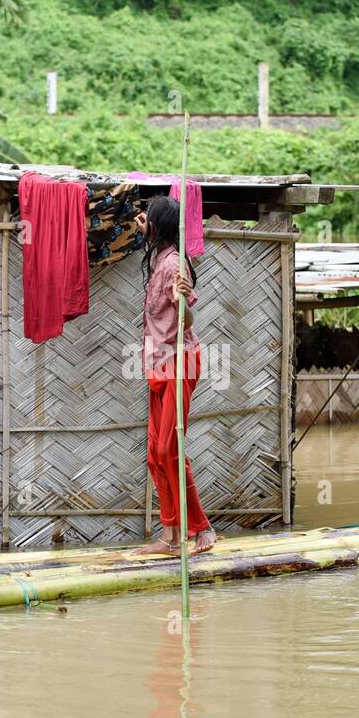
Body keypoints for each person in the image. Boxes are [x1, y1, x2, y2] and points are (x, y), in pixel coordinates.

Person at [134, 196, 216, 555]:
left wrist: (184, 299)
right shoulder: (158, 255)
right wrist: (146, 224)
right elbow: (152, 234)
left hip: (179, 360)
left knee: (170, 449)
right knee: (154, 452)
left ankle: (203, 531)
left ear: (160, 228)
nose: (145, 227)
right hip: (157, 361)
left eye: (149, 222)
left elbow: (185, 320)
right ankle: (169, 536)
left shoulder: (173, 265)